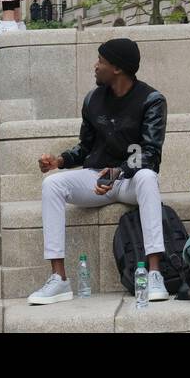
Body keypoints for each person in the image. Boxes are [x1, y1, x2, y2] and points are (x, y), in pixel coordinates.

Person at [30, 38, 169, 305]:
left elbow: (150, 153)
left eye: (101, 61)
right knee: (52, 185)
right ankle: (59, 279)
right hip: (97, 179)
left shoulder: (151, 100)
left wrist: (118, 172)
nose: (95, 66)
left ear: (117, 68)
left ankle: (154, 274)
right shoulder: (93, 99)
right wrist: (59, 161)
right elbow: (86, 147)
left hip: (130, 180)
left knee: (149, 178)